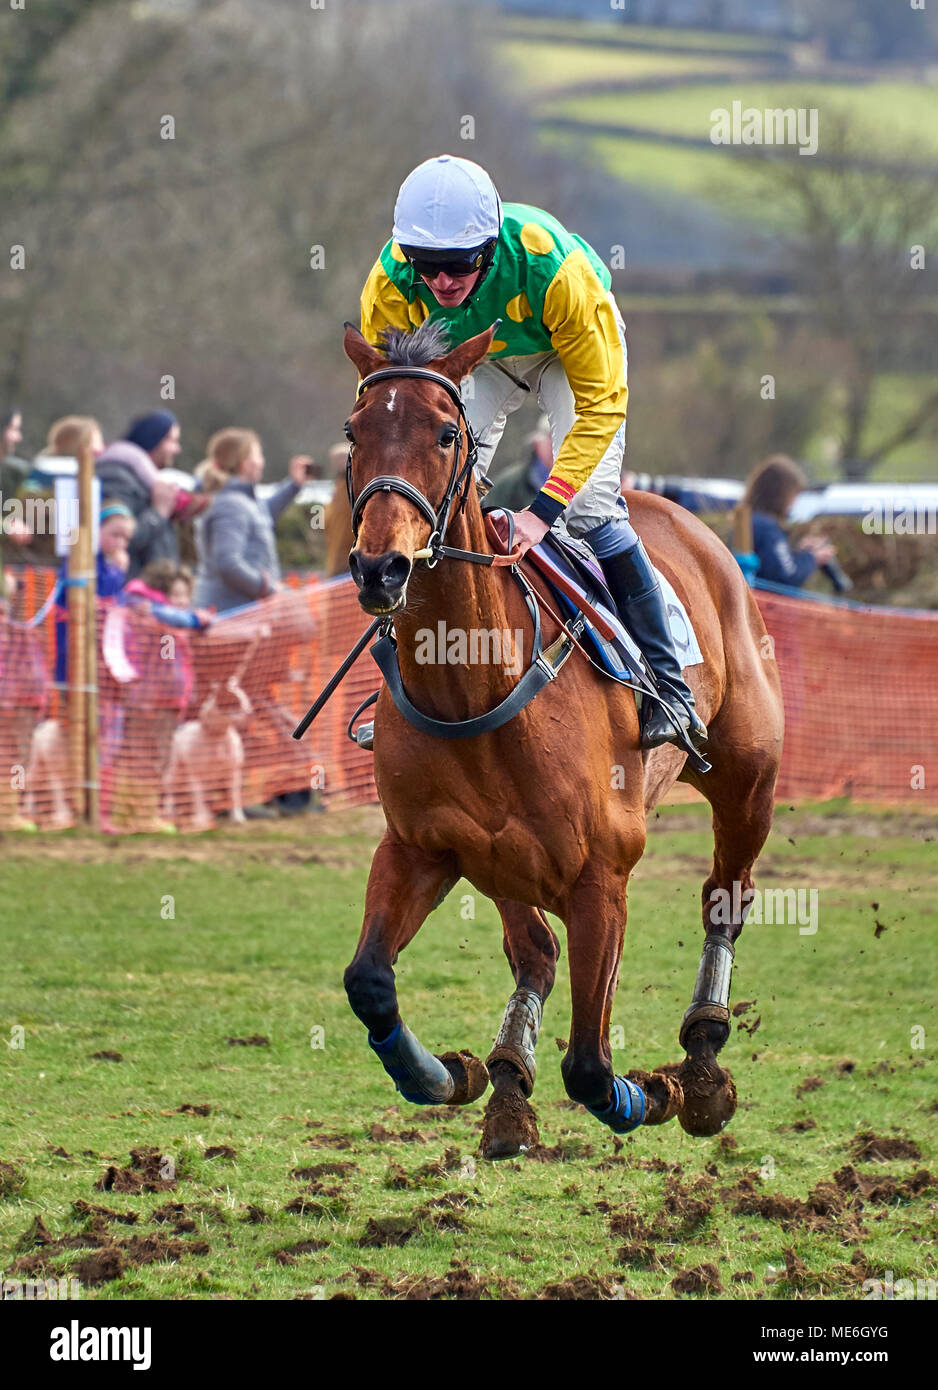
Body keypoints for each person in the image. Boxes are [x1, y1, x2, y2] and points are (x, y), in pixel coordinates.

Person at [359, 154, 705, 750]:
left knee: (592, 509)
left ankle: (669, 688)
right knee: (434, 503)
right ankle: (404, 685)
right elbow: (389, 408)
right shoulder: (388, 283)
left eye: (460, 264)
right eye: (427, 266)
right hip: (483, 355)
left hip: (568, 353)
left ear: (490, 249)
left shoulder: (557, 271)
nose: (442, 281)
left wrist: (543, 512)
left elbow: (601, 405)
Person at [193, 427, 311, 613]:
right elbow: (228, 564)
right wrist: (266, 588)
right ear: (244, 463)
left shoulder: (241, 499)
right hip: (230, 620)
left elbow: (264, 516)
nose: (262, 463)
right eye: (258, 456)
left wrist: (294, 485)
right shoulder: (230, 504)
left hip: (239, 618)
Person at [96, 410, 203, 578]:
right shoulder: (116, 477)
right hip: (132, 591)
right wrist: (158, 513)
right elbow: (120, 537)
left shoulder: (146, 480)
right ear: (152, 438)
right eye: (172, 440)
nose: (177, 449)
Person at [54, 500, 136, 683]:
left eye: (126, 538)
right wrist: (117, 573)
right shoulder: (82, 557)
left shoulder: (110, 564)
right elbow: (99, 593)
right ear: (96, 529)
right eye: (115, 535)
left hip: (95, 637)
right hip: (69, 633)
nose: (120, 542)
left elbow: (115, 600)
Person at [743, 455, 836, 589]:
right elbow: (786, 575)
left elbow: (772, 565)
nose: (793, 504)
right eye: (794, 496)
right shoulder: (767, 528)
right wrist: (812, 558)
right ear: (781, 494)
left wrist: (799, 554)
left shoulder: (750, 521)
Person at [483, 417, 553, 513]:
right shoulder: (508, 485)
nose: (559, 447)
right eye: (552, 439)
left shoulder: (578, 488)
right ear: (537, 442)